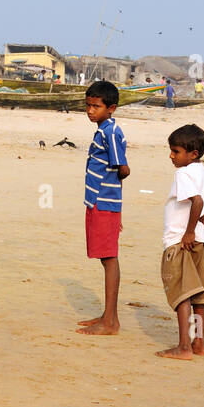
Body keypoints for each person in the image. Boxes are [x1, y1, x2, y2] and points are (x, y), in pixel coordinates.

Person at [77, 80, 130, 335]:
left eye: (95, 106)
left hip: (105, 201)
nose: (90, 111)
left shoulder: (111, 132)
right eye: (87, 105)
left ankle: (110, 322)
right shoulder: (103, 130)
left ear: (111, 108)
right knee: (104, 256)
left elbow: (123, 167)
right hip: (99, 200)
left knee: (109, 258)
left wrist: (111, 192)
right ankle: (109, 316)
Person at [157, 124, 204, 360]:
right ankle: (199, 342)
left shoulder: (183, 173)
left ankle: (183, 346)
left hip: (181, 241)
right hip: (198, 239)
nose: (171, 156)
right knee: (199, 295)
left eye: (175, 151)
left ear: (193, 154)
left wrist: (188, 233)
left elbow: (197, 202)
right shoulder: (203, 172)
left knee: (182, 294)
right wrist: (198, 231)